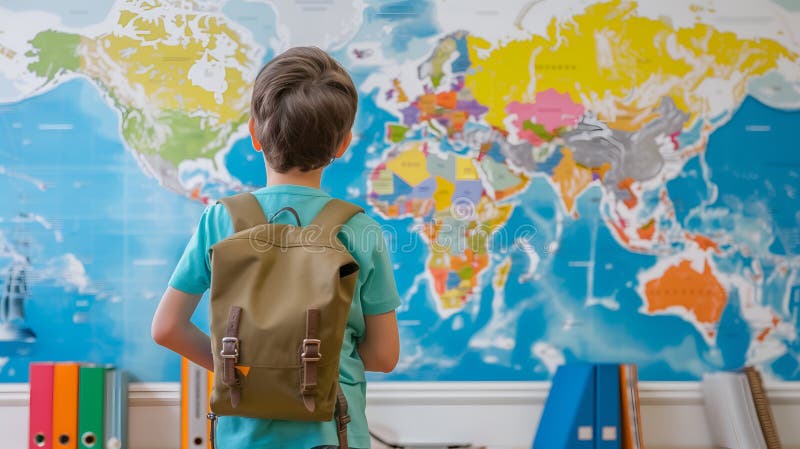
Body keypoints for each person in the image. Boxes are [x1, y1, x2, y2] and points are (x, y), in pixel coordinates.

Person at [151, 46, 402, 449]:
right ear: (342, 144)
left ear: (254, 133)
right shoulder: (359, 230)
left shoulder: (220, 221)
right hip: (333, 434)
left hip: (241, 436)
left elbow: (166, 328)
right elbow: (384, 356)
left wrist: (249, 372)